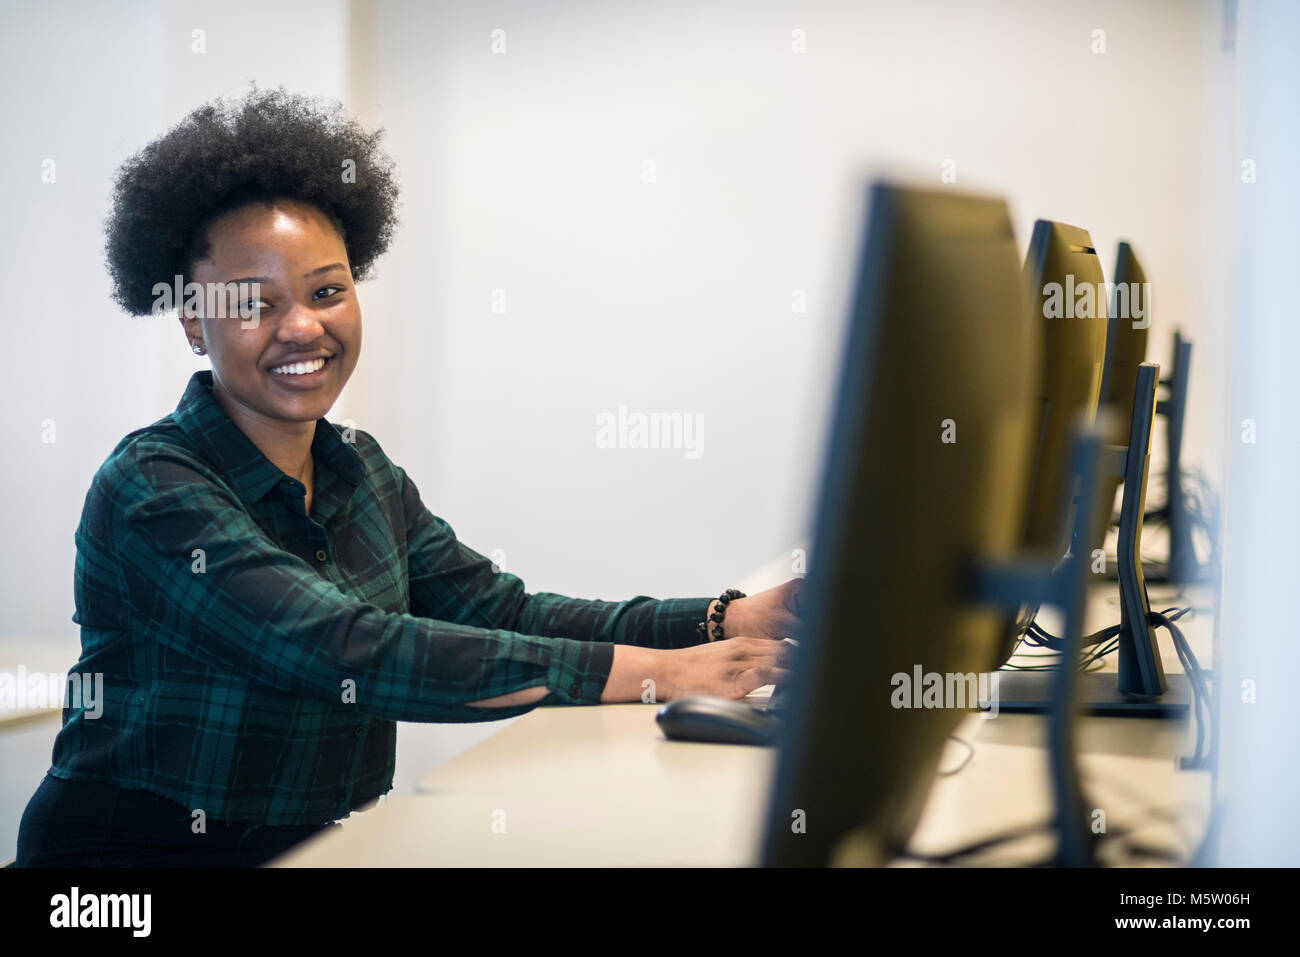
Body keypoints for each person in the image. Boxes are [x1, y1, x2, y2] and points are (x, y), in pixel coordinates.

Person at [15, 88, 801, 866]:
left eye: (328, 291)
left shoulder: (362, 471)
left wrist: (724, 621)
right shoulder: (152, 485)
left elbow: (509, 613)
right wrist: (659, 676)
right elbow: (348, 651)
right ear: (193, 320)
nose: (303, 327)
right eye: (255, 303)